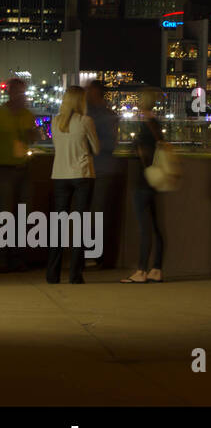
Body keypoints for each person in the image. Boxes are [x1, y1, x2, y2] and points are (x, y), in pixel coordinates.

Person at [48, 86, 100, 284]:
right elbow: (96, 148)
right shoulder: (86, 121)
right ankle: (75, 275)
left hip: (59, 174)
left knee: (58, 227)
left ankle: (52, 274)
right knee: (80, 226)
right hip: (82, 175)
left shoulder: (55, 121)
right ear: (81, 101)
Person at [122, 89, 166, 283]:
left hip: (144, 180)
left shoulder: (144, 126)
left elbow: (144, 154)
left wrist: (136, 148)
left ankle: (141, 270)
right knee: (156, 227)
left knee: (144, 228)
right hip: (156, 181)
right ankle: (156, 268)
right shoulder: (156, 124)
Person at [0, 78, 39, 272]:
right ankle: (3, 258)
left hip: (24, 169)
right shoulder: (1, 114)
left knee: (24, 216)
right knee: (5, 216)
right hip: (4, 169)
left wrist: (33, 135)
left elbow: (32, 138)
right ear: (10, 93)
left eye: (23, 93)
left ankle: (17, 257)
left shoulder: (27, 115)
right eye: (18, 92)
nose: (21, 96)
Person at [85, 81, 122, 270]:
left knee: (96, 213)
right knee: (95, 213)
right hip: (94, 169)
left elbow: (109, 145)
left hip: (100, 169)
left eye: (89, 91)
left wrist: (90, 142)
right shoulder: (99, 114)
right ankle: (93, 254)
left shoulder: (105, 116)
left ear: (97, 93)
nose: (86, 94)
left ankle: (95, 255)